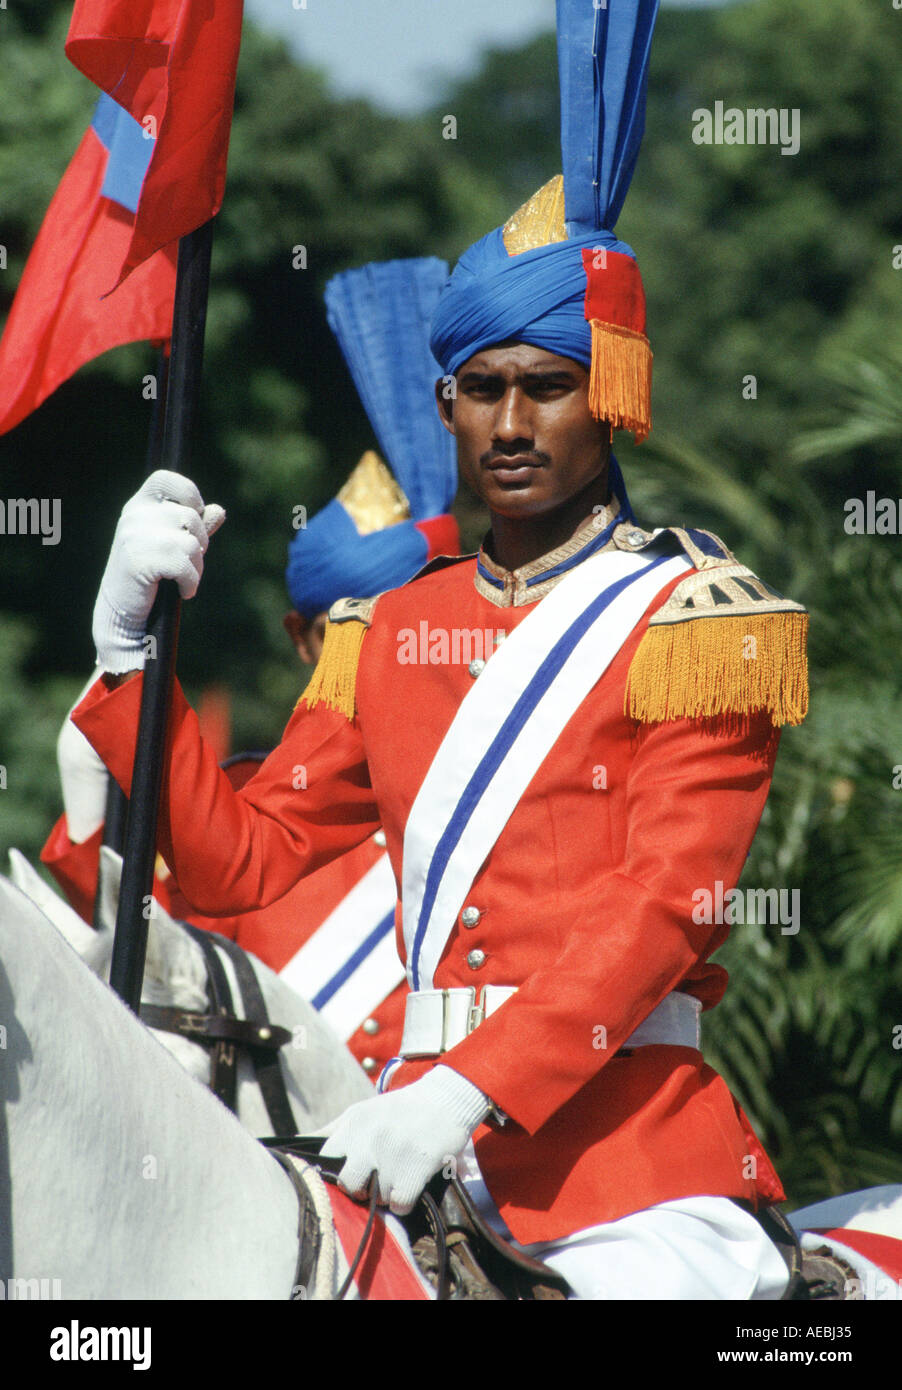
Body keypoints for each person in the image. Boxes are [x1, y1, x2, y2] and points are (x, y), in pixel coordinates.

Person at [67, 0, 809, 1297]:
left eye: (548, 382)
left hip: (631, 1174)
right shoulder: (395, 631)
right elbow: (247, 863)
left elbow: (661, 907)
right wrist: (129, 654)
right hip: (403, 1140)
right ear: (443, 406)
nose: (510, 421)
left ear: (614, 390)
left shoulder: (699, 619)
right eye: (481, 389)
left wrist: (468, 1084)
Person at [41, 257, 459, 1078]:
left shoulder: (496, 769)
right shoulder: (251, 800)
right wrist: (92, 809)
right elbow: (138, 961)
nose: (396, 657)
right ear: (303, 640)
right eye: (354, 633)